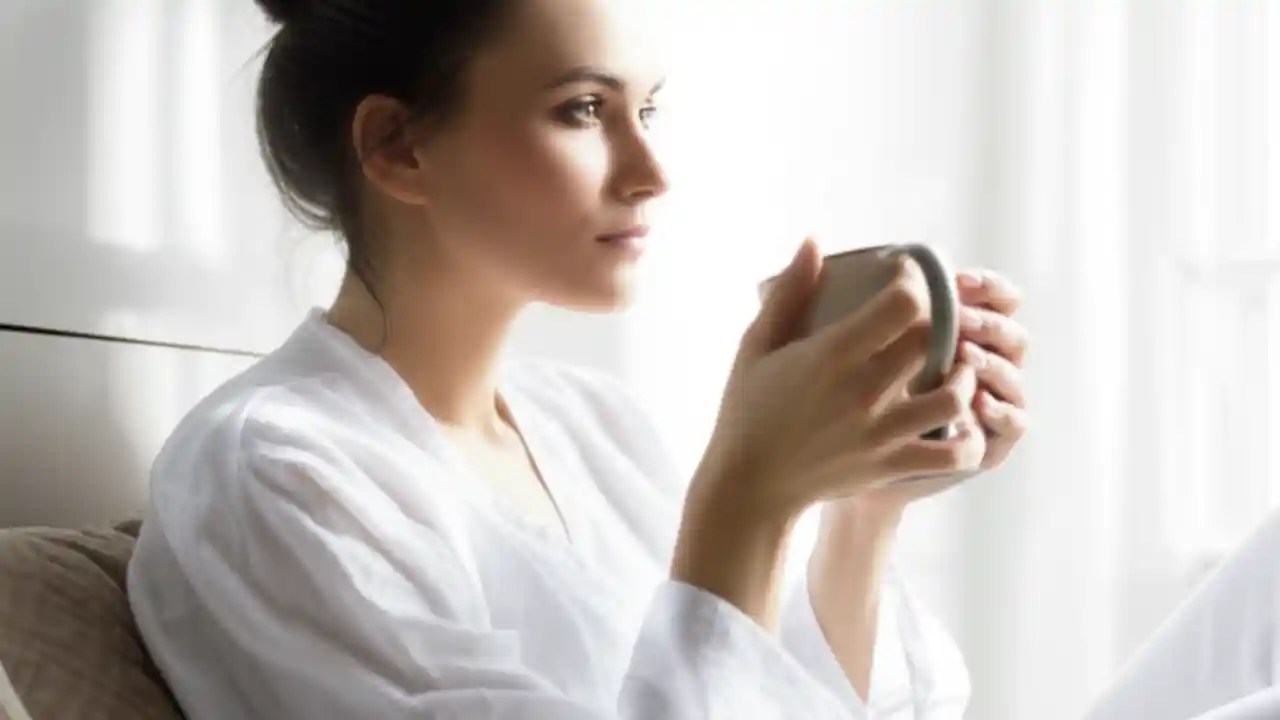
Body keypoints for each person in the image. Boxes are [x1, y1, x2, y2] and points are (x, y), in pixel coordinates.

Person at [126, 0, 1031, 717]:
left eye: (647, 109)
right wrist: (746, 501)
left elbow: (786, 694)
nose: (651, 170)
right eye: (585, 110)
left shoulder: (599, 428)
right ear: (398, 147)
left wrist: (865, 507)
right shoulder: (274, 473)